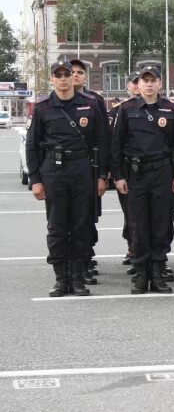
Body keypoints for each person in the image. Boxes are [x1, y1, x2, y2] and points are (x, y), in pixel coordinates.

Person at [26, 60, 108, 297]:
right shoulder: (42, 107)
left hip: (82, 169)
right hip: (54, 170)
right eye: (58, 75)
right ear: (51, 79)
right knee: (57, 227)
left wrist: (102, 176)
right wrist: (36, 179)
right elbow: (32, 146)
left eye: (67, 74)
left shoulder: (90, 105)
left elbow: (102, 141)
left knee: (81, 225)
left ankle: (78, 277)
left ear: (73, 77)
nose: (63, 79)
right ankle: (61, 278)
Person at [111, 66, 174, 294]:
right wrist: (118, 176)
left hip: (162, 173)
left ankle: (158, 272)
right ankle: (141, 274)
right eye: (145, 81)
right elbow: (116, 146)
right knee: (138, 225)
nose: (150, 84)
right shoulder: (126, 110)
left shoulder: (170, 109)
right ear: (139, 85)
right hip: (136, 174)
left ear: (160, 84)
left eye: (154, 80)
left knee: (161, 224)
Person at [70, 58, 110, 283]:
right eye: (71, 72)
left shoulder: (95, 101)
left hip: (88, 168)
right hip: (62, 171)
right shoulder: (50, 102)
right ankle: (70, 264)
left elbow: (103, 137)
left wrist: (103, 173)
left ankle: (85, 258)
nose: (74, 75)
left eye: (79, 72)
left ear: (85, 76)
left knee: (86, 218)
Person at [108, 71, 140, 266]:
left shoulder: (162, 109)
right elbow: (112, 144)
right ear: (128, 86)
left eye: (139, 82)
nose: (137, 85)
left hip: (156, 172)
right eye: (134, 82)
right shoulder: (118, 111)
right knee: (130, 214)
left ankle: (155, 257)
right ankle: (132, 248)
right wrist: (115, 171)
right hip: (128, 170)